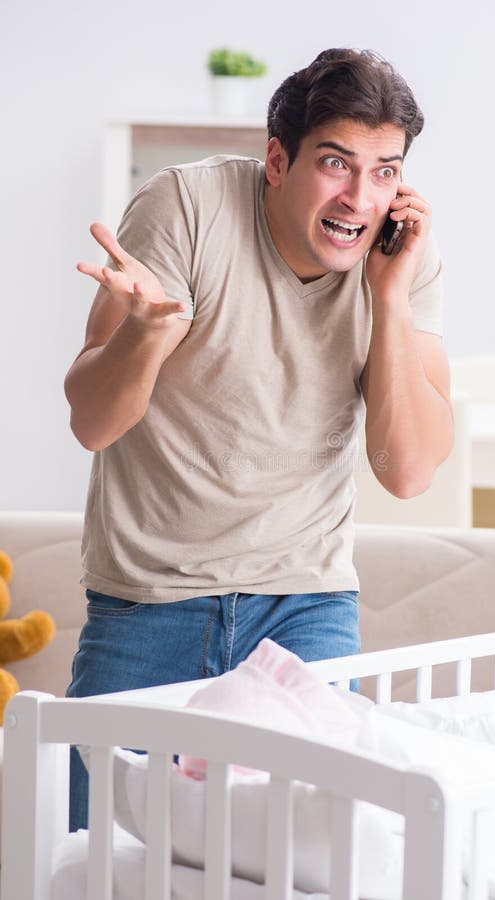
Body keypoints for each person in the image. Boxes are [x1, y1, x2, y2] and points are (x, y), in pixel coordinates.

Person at [64, 47, 453, 829]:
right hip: (148, 604)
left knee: (300, 853)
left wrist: (387, 298)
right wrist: (144, 334)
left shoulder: (401, 262)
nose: (360, 196)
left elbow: (407, 471)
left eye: (384, 171)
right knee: (89, 854)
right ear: (277, 159)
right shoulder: (185, 206)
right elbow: (93, 421)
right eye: (336, 163)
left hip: (302, 604)